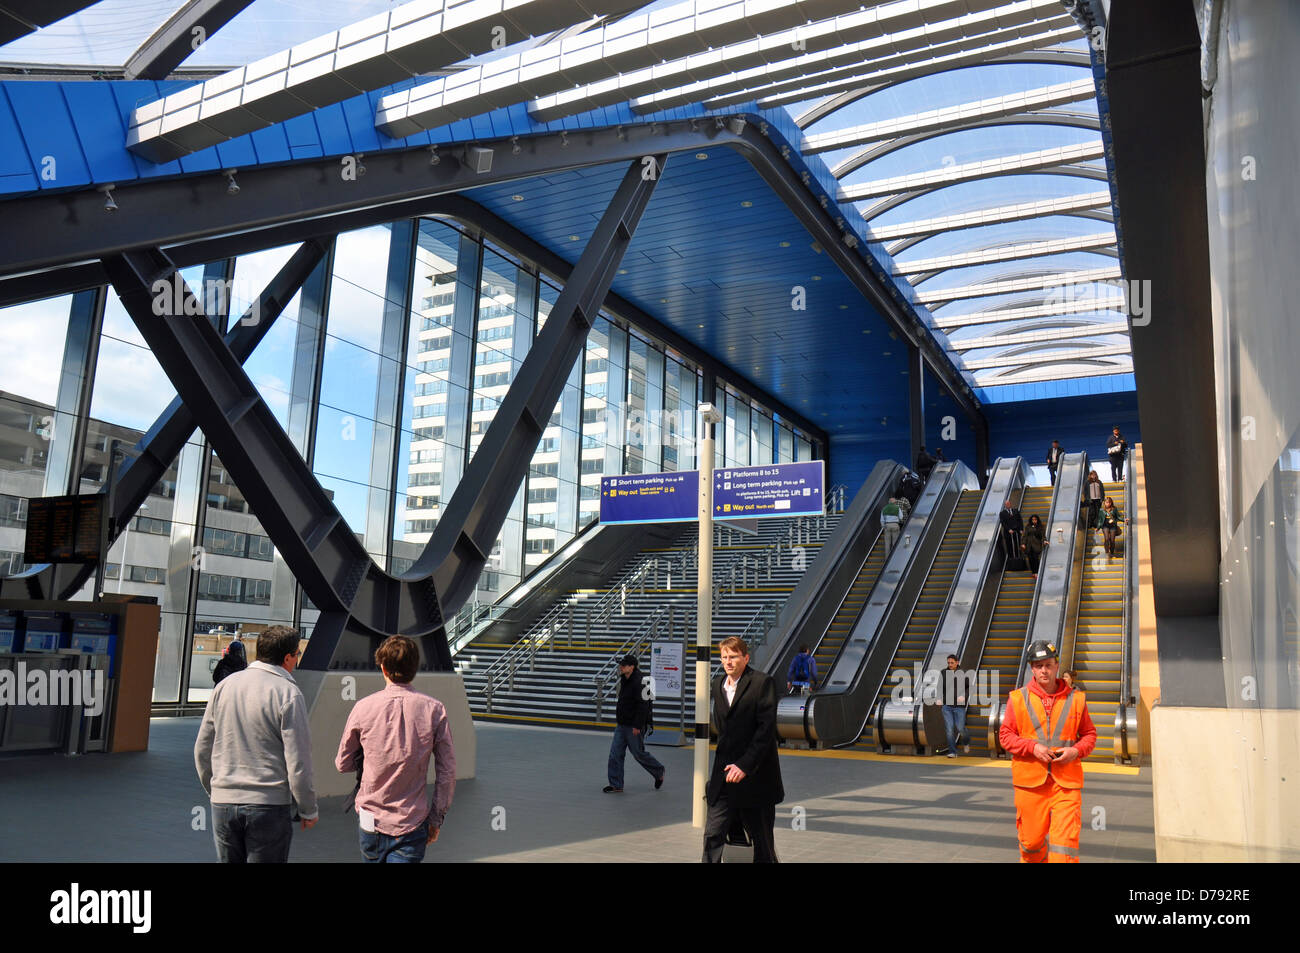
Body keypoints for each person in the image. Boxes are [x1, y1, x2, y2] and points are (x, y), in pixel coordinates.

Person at [194, 625, 318, 863]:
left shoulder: (224, 687)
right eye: (297, 654)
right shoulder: (288, 693)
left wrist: (217, 789)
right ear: (287, 657)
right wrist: (307, 808)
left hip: (223, 802)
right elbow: (298, 760)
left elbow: (202, 749)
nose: (297, 660)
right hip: (268, 804)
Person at [335, 635, 456, 863]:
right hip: (411, 822)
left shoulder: (363, 707)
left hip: (370, 819)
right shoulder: (435, 710)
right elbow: (447, 772)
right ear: (415, 668)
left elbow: (342, 764)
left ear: (383, 668)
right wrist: (436, 819)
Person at [999, 640, 1096, 863]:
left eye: (1049, 665)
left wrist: (1076, 751)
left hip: (1066, 784)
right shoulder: (1017, 698)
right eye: (1039, 665)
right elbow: (1005, 736)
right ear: (1032, 668)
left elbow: (1089, 735)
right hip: (1030, 784)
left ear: (1056, 665)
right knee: (1031, 845)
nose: (1044, 670)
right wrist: (1032, 747)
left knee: (1064, 851)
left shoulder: (1077, 699)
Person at [703, 636, 784, 863]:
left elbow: (765, 730)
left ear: (746, 657)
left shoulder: (762, 683)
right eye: (724, 657)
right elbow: (722, 727)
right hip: (725, 775)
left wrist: (745, 764)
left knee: (762, 841)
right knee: (712, 834)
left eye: (734, 657)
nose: (728, 662)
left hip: (755, 776)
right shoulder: (718, 685)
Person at [603, 655, 664, 793]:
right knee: (615, 754)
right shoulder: (625, 678)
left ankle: (659, 771)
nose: (621, 667)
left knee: (638, 754)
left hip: (633, 725)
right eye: (621, 665)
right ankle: (616, 784)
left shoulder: (641, 681)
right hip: (622, 723)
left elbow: (644, 705)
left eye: (624, 665)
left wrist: (638, 725)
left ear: (632, 666)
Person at [939, 654, 972, 757]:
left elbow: (968, 688)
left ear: (957, 662)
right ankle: (952, 752)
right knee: (949, 729)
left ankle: (966, 742)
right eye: (948, 663)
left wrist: (963, 696)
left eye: (952, 663)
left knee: (960, 728)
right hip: (946, 706)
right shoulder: (943, 673)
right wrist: (938, 698)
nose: (950, 665)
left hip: (959, 706)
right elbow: (939, 687)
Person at [1084, 470, 1104, 538]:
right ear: (1090, 475)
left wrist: (1102, 498)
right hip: (1091, 500)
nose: (1093, 476)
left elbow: (1102, 491)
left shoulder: (1099, 482)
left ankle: (1096, 525)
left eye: (1094, 474)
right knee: (1091, 512)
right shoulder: (1087, 482)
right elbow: (1086, 491)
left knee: (1097, 512)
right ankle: (1090, 524)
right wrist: (1087, 499)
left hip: (1098, 499)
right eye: (1092, 475)